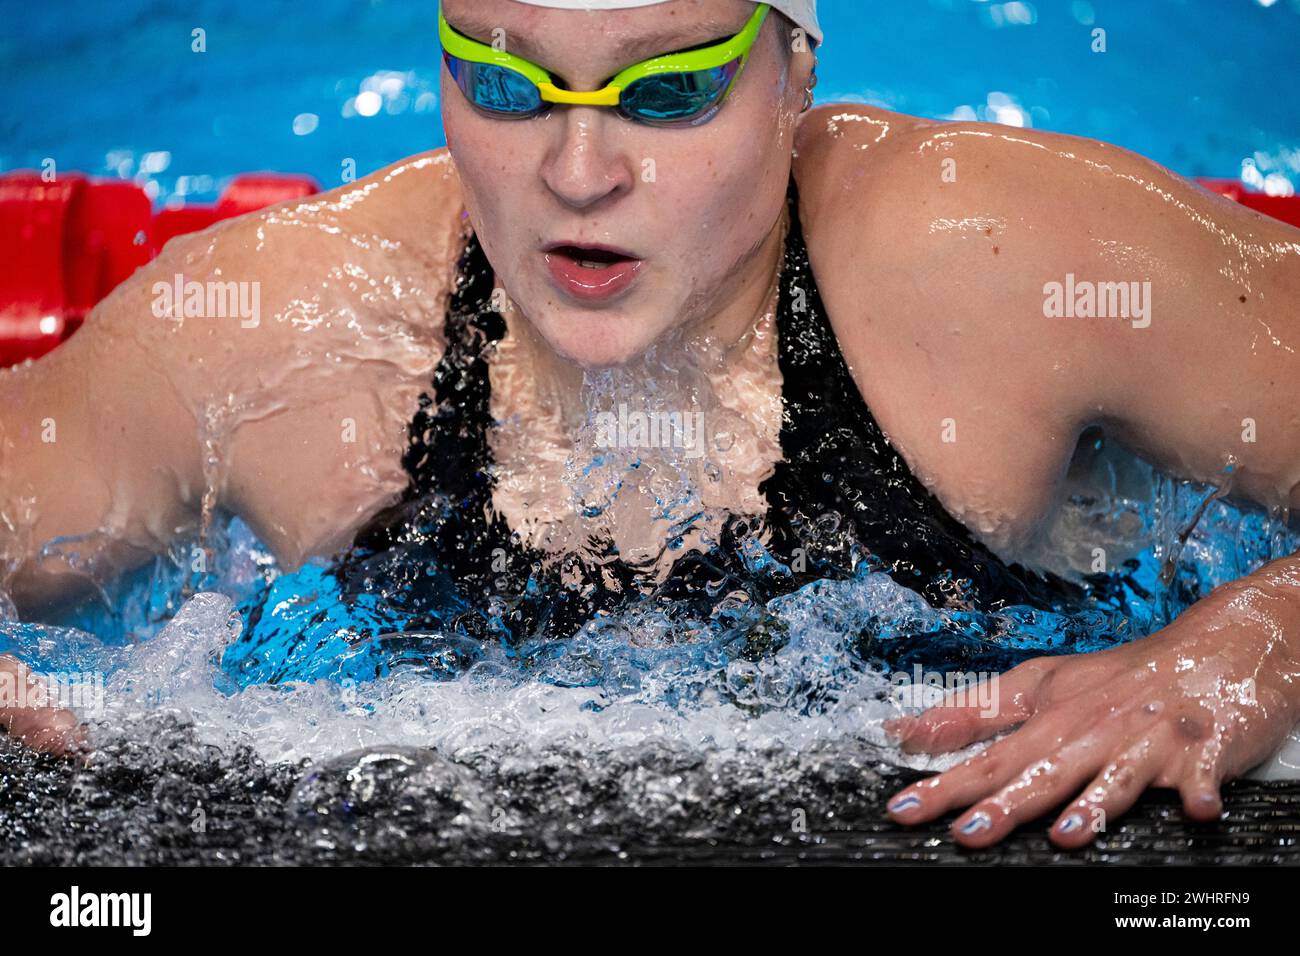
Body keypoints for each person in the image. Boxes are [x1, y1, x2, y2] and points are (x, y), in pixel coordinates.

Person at [1, 0, 1298, 850]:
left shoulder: (995, 261)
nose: (577, 171)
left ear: (792, 71)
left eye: (666, 95)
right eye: (505, 88)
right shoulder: (299, 333)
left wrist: (1259, 639)